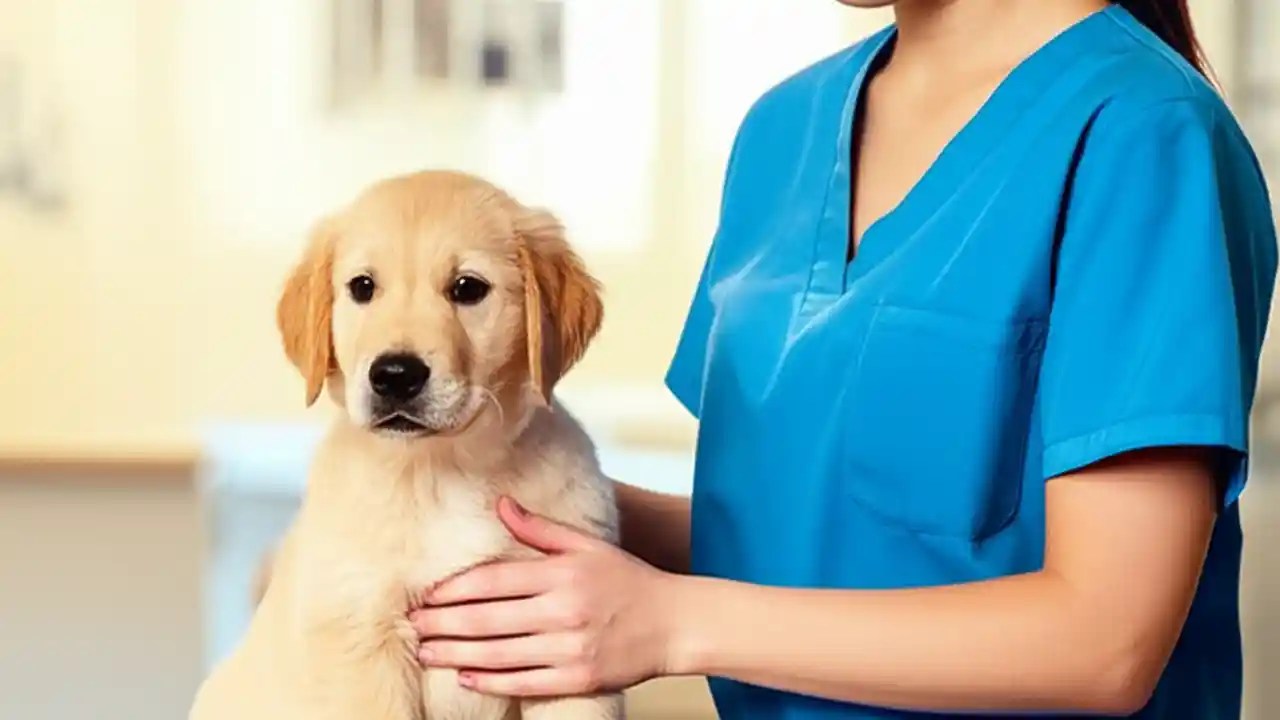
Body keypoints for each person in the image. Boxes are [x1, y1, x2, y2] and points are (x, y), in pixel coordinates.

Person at [409, 0, 1279, 717]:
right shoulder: (782, 132)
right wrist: (478, 508)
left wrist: (671, 622)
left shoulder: (1142, 136)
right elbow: (790, 534)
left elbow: (1104, 643)